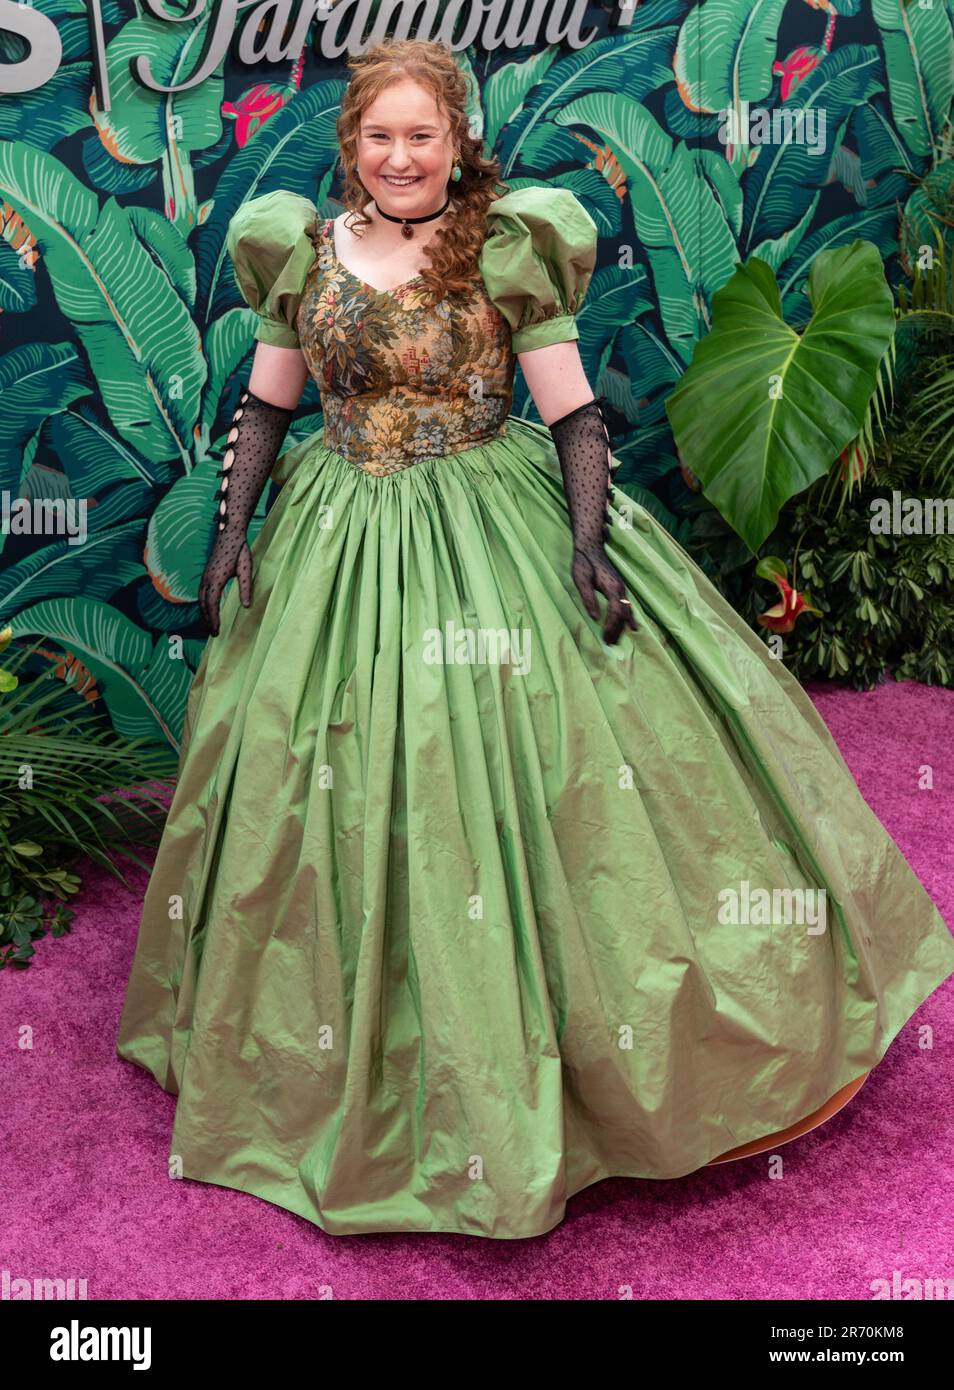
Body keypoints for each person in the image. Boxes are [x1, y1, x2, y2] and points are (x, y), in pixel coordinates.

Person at [116, 37, 954, 1240]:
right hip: (339, 530)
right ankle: (347, 1068)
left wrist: (584, 545)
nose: (401, 156)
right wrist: (232, 528)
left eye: (424, 136)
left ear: (457, 143)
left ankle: (586, 1069)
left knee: (553, 785)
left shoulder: (509, 245)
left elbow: (573, 415)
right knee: (322, 792)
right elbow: (267, 400)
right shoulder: (301, 251)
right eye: (380, 136)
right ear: (349, 142)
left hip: (488, 526)